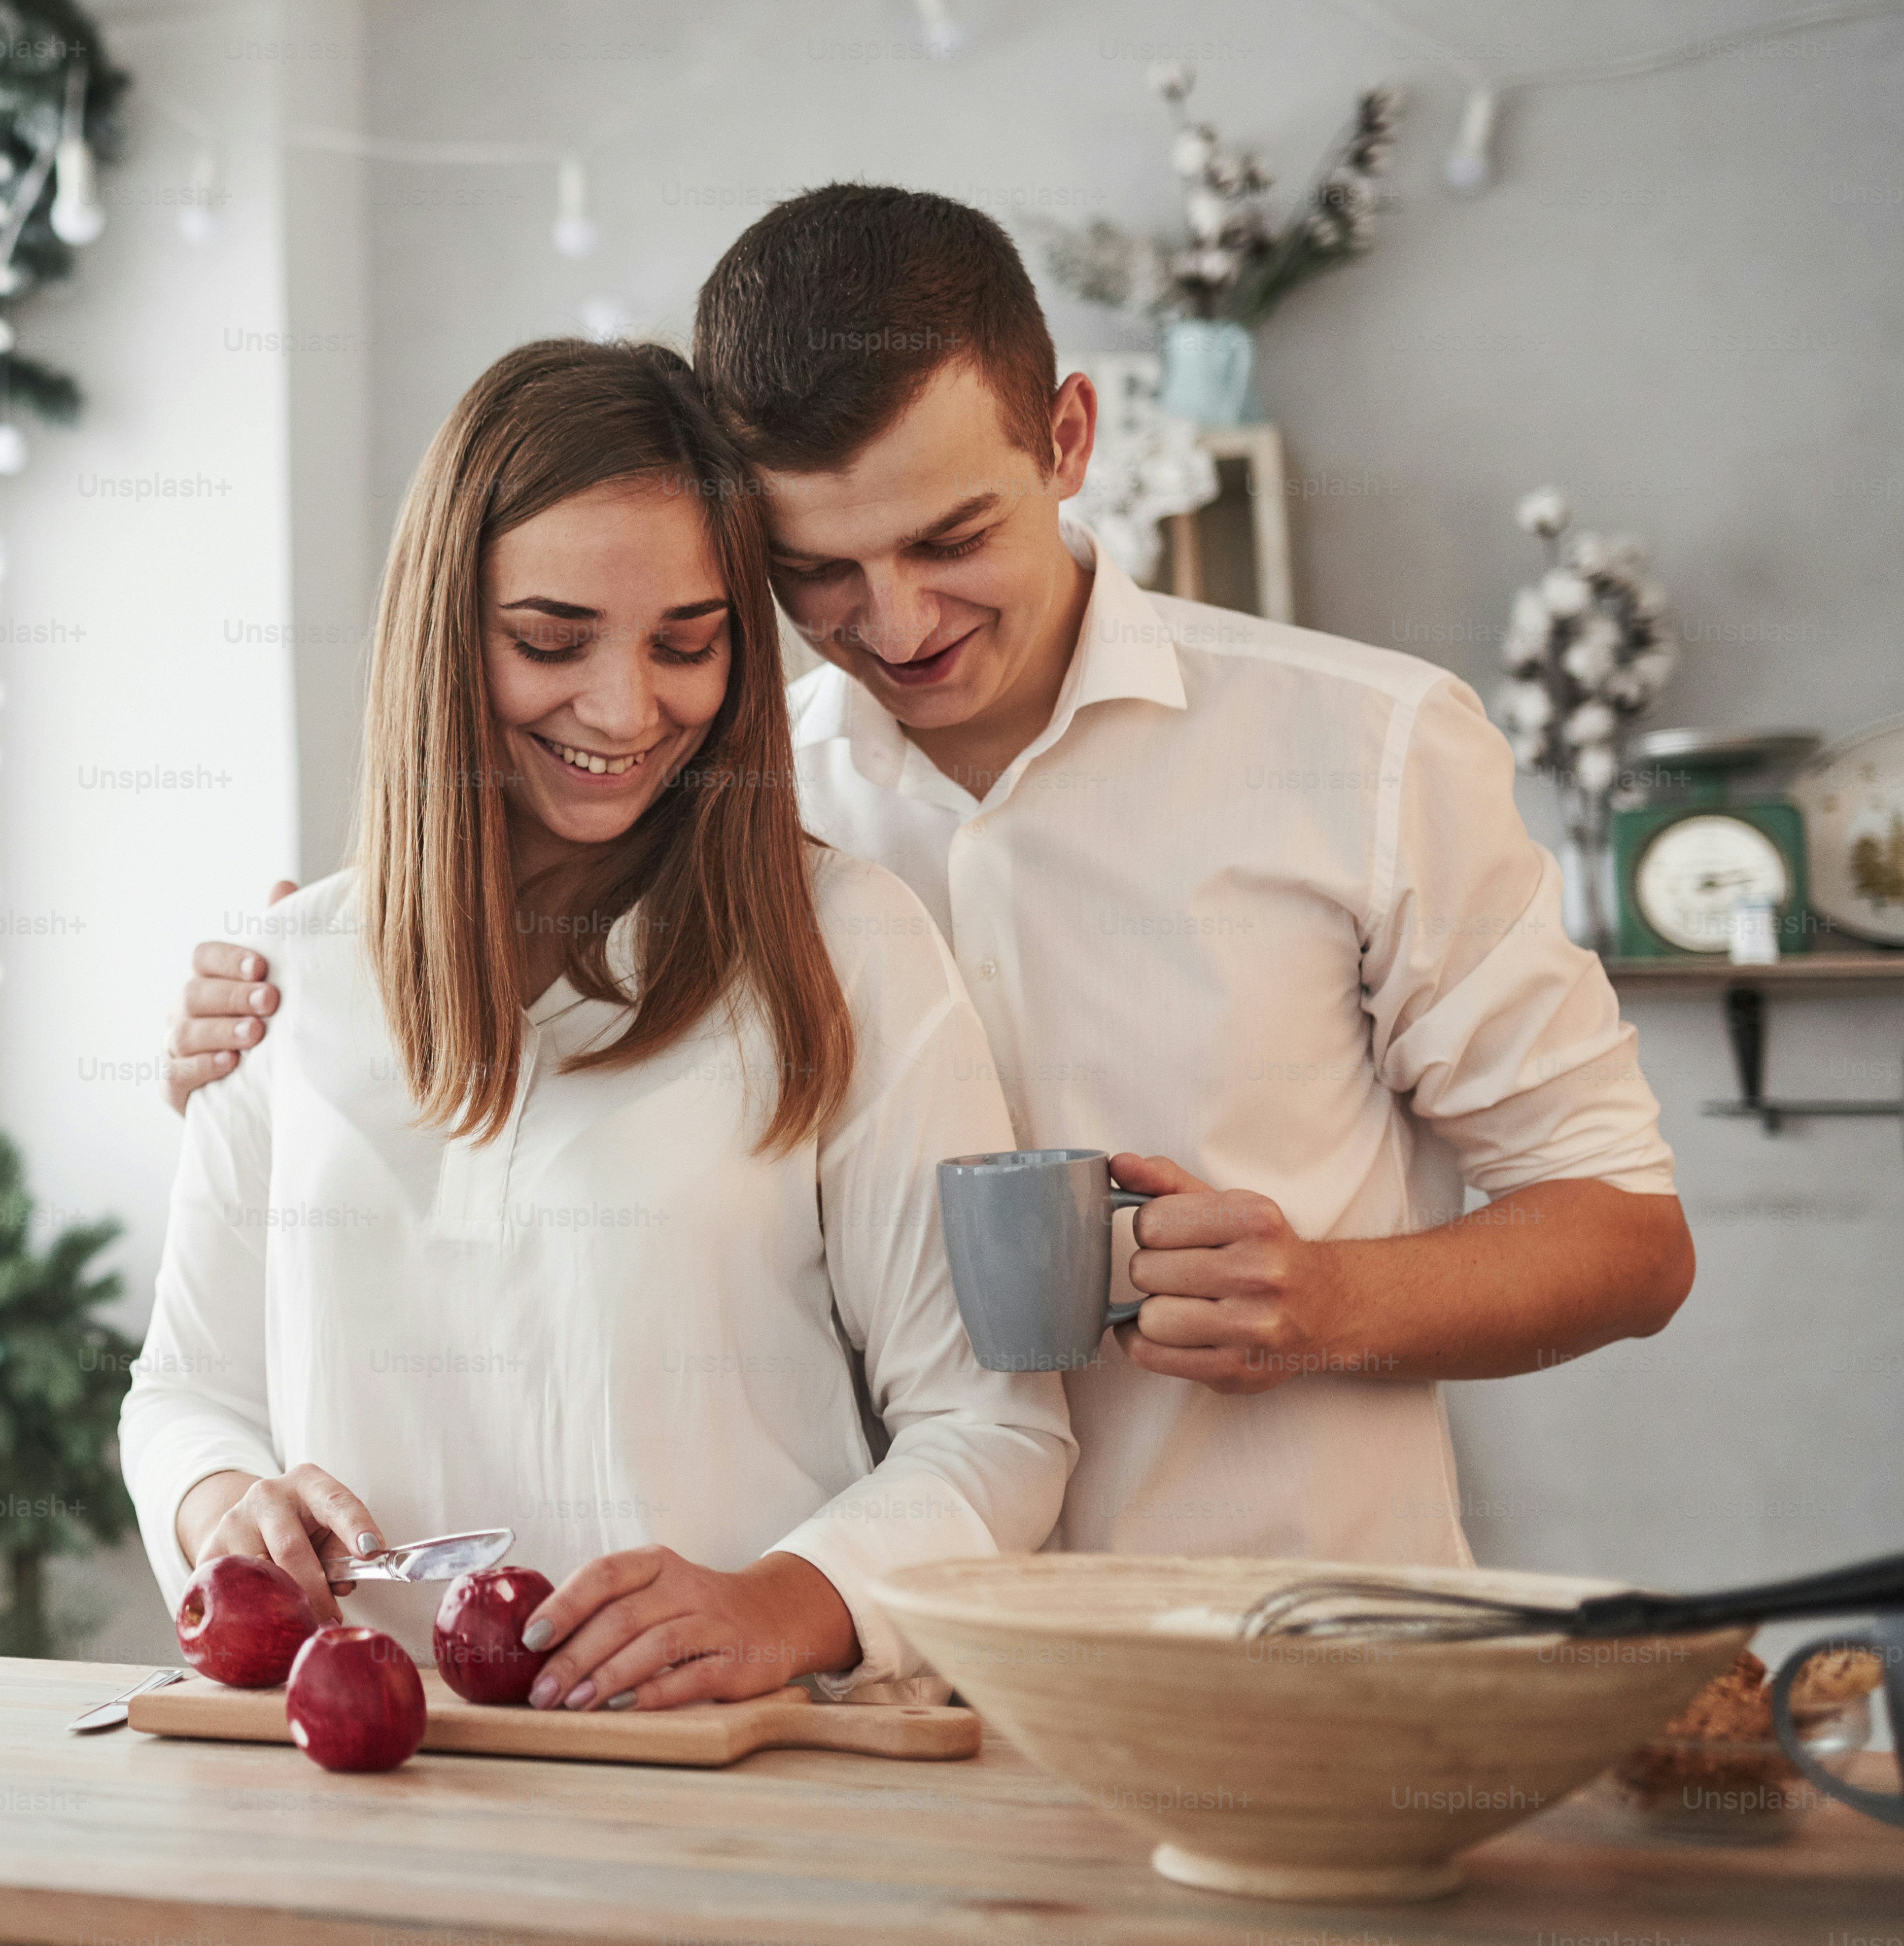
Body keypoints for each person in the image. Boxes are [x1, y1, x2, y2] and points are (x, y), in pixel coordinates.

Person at [162, 187, 1689, 1569]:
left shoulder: (1364, 747)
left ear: (1068, 439)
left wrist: (1328, 1301)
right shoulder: (717, 801)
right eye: (815, 571)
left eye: (951, 537)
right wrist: (291, 1014)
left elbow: (1628, 1235)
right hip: (894, 1699)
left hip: (1277, 1650)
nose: (893, 625)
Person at [120, 338, 1072, 1714]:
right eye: (549, 641)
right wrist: (222, 1503)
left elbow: (996, 1430)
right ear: (445, 631)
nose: (625, 710)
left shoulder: (848, 948)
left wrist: (778, 1606)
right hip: (365, 1775)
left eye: (686, 644)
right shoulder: (287, 975)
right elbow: (184, 1393)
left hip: (720, 1773)